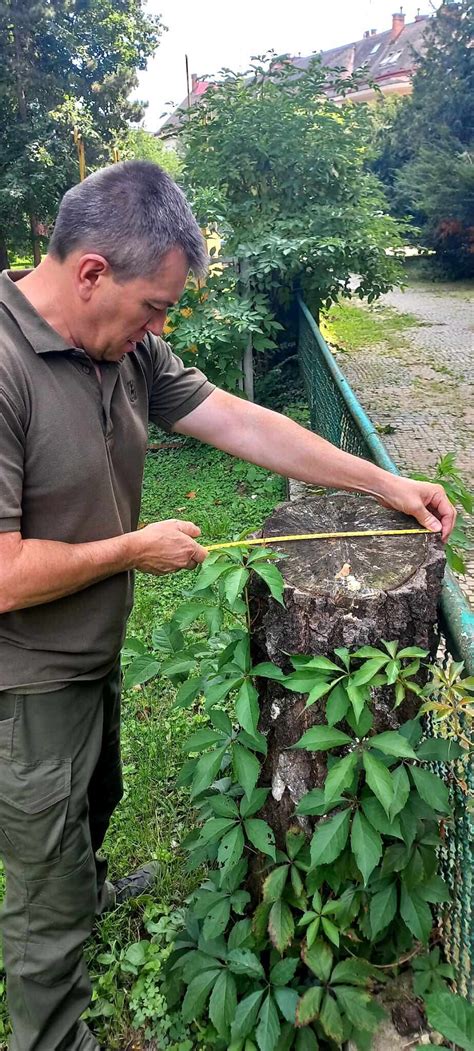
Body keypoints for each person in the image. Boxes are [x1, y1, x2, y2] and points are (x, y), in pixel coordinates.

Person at [0, 160, 455, 1051]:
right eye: (155, 307)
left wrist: (386, 482)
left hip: (87, 650)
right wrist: (134, 548)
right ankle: (53, 1025)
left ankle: (85, 893)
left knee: (96, 796)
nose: (159, 329)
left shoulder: (120, 347)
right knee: (41, 886)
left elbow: (240, 421)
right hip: (23, 680)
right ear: (92, 272)